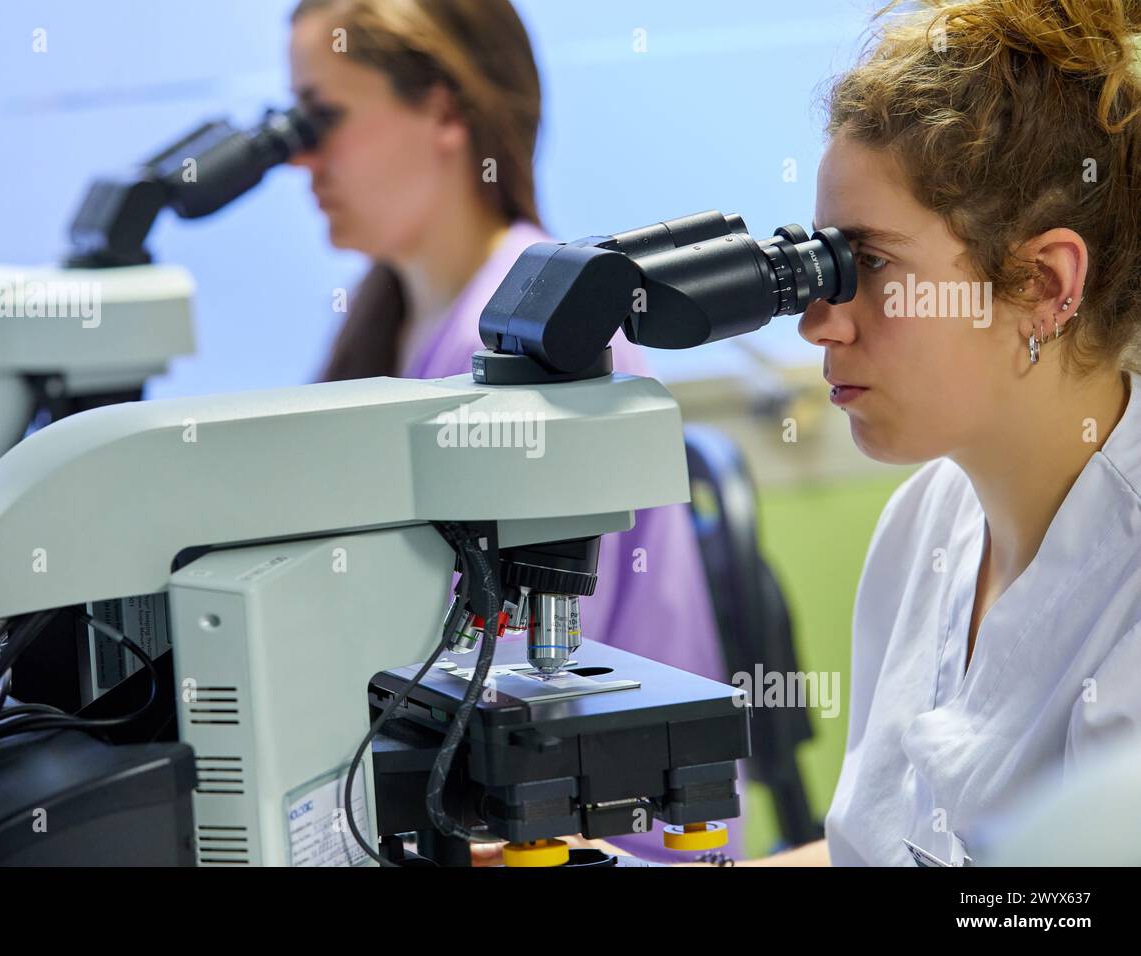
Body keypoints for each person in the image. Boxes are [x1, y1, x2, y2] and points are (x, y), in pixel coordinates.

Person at [287, 0, 745, 862]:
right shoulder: (389, 335)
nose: (299, 158)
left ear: (445, 112)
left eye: (322, 117)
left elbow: (515, 684)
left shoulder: (545, 350)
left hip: (606, 836)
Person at [752, 0, 1141, 866]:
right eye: (826, 263)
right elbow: (878, 851)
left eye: (872, 265)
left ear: (1044, 285)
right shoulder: (924, 523)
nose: (820, 322)